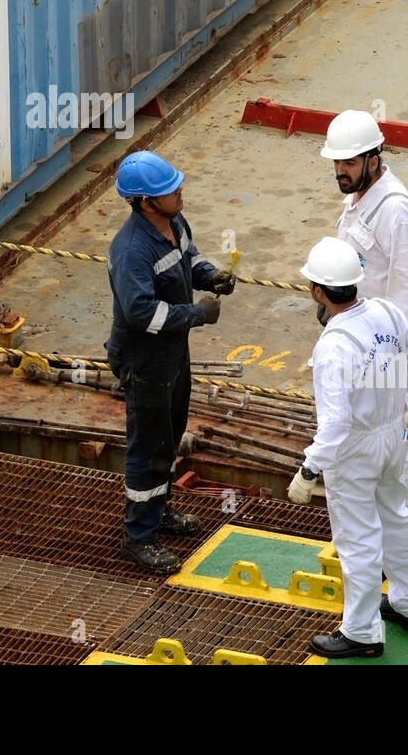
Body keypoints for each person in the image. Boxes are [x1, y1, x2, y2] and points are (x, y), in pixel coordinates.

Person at [320, 108, 408, 581]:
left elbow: (406, 301)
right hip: (361, 347)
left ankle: (404, 555)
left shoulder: (396, 211)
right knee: (390, 462)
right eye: (336, 162)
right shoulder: (360, 200)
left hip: (381, 359)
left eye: (350, 162)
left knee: (373, 457)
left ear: (375, 158)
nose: (341, 170)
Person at [287, 237, 408, 658]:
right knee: (397, 517)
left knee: (358, 540)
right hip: (393, 437)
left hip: (355, 451)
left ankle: (362, 632)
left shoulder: (334, 346)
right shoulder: (387, 312)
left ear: (318, 291)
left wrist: (309, 469)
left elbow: (335, 424)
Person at [105, 150, 235, 574]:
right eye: (169, 190)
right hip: (144, 362)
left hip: (172, 355)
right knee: (148, 447)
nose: (179, 193)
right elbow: (141, 312)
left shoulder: (174, 223)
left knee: (170, 436)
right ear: (145, 202)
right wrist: (197, 314)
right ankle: (139, 537)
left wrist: (211, 274)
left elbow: (189, 259)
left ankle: (159, 513)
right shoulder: (131, 249)